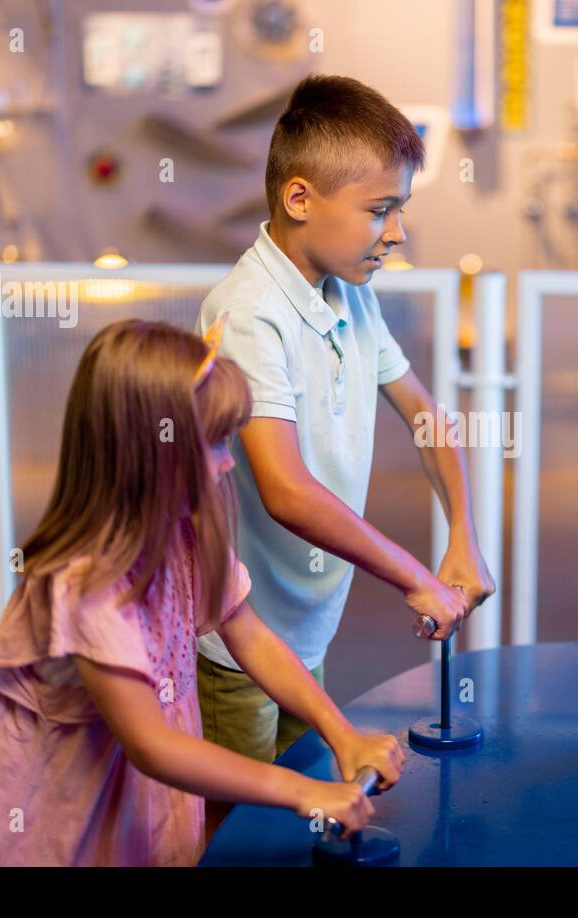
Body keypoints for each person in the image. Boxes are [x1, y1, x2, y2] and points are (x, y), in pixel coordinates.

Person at [0, 319, 402, 866]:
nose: (228, 462)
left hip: (125, 772)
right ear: (152, 448)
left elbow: (251, 638)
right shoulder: (84, 583)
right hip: (43, 792)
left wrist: (342, 735)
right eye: (217, 441)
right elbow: (153, 745)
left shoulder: (187, 531)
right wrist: (302, 792)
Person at [194, 74, 495, 837]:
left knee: (303, 821)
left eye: (400, 209)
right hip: (238, 640)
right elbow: (286, 490)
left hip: (305, 631)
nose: (396, 234)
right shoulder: (248, 312)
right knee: (234, 838)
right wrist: (415, 577)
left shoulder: (348, 290)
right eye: (379, 211)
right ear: (301, 200)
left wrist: (462, 533)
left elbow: (424, 413)